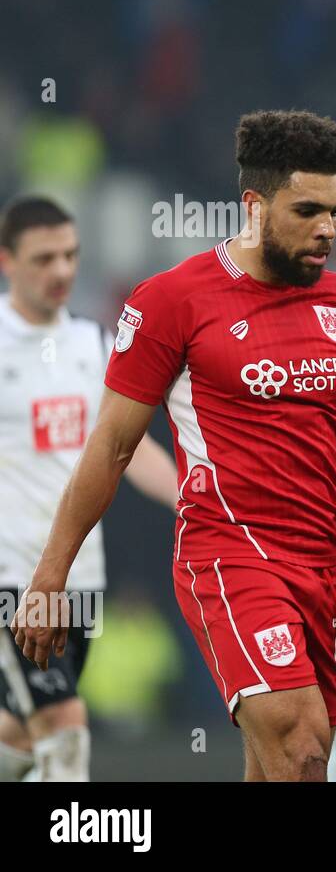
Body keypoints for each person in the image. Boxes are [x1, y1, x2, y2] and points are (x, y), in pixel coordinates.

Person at [11, 111, 336, 781]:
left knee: (279, 765)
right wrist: (51, 574)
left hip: (319, 569)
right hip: (228, 553)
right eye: (308, 210)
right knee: (302, 747)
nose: (328, 228)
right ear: (255, 206)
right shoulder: (174, 301)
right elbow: (112, 446)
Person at [0, 197, 177, 782]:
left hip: (80, 578)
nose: (61, 271)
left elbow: (126, 450)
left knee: (22, 732)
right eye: (44, 257)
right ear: (7, 261)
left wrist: (191, 496)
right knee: (66, 727)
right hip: (13, 577)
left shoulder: (94, 343)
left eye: (71, 255)